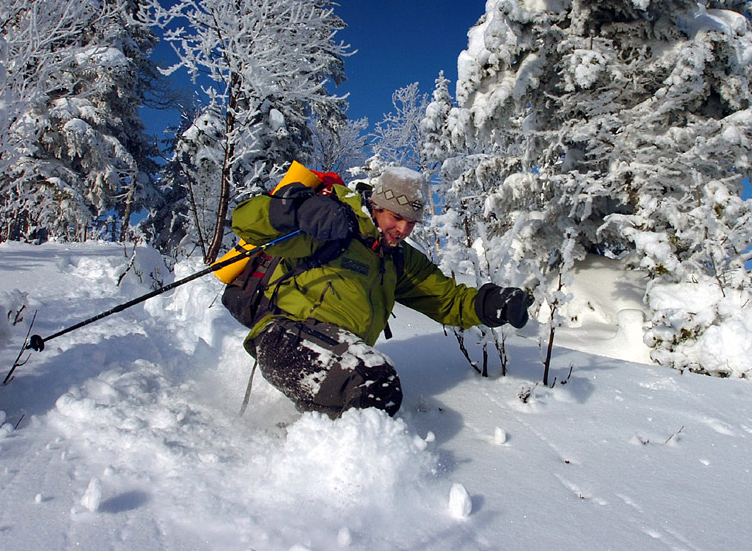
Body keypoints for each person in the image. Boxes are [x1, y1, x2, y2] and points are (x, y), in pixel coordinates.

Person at [226, 166, 531, 418]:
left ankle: (297, 455)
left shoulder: (396, 258)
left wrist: (491, 304)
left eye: (411, 222)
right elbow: (244, 222)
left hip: (333, 352)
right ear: (376, 206)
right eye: (396, 218)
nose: (403, 230)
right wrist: (296, 211)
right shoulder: (333, 226)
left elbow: (445, 298)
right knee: (373, 382)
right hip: (284, 338)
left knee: (367, 388)